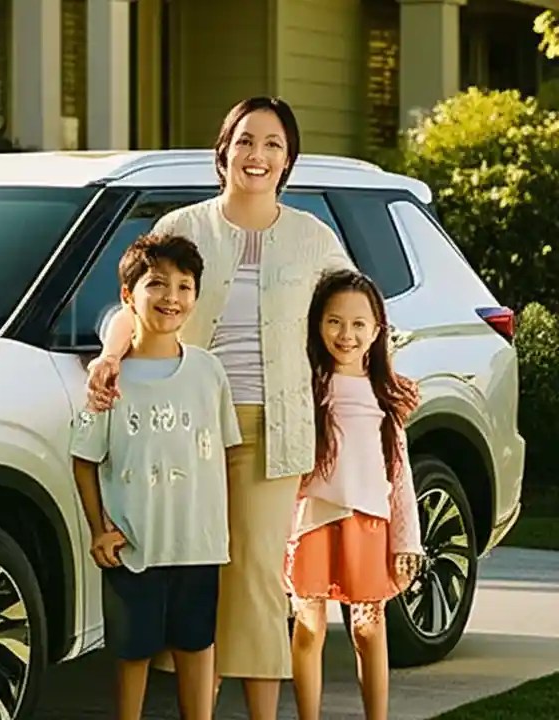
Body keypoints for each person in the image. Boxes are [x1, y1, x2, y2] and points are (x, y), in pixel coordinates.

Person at [85, 96, 356, 720]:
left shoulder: (314, 238)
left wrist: (379, 379)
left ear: (288, 162)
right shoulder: (184, 227)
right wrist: (109, 357)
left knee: (257, 572)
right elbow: (128, 305)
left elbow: (354, 315)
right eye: (245, 141)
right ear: (223, 150)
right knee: (191, 567)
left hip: (272, 429)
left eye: (272, 146)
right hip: (185, 426)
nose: (256, 155)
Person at [70, 233, 242, 720]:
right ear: (128, 295)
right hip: (133, 548)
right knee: (133, 653)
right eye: (157, 284)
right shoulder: (110, 379)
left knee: (196, 646)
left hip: (198, 546)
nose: (172, 297)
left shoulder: (209, 372)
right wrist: (98, 530)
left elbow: (224, 456)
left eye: (185, 286)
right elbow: (84, 457)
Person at [285, 268, 423, 720]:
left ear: (377, 330)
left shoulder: (386, 396)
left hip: (368, 521)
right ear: (317, 324)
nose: (346, 334)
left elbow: (400, 475)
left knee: (369, 627)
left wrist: (407, 541)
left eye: (359, 324)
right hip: (311, 521)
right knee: (308, 627)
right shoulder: (306, 389)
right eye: (334, 321)